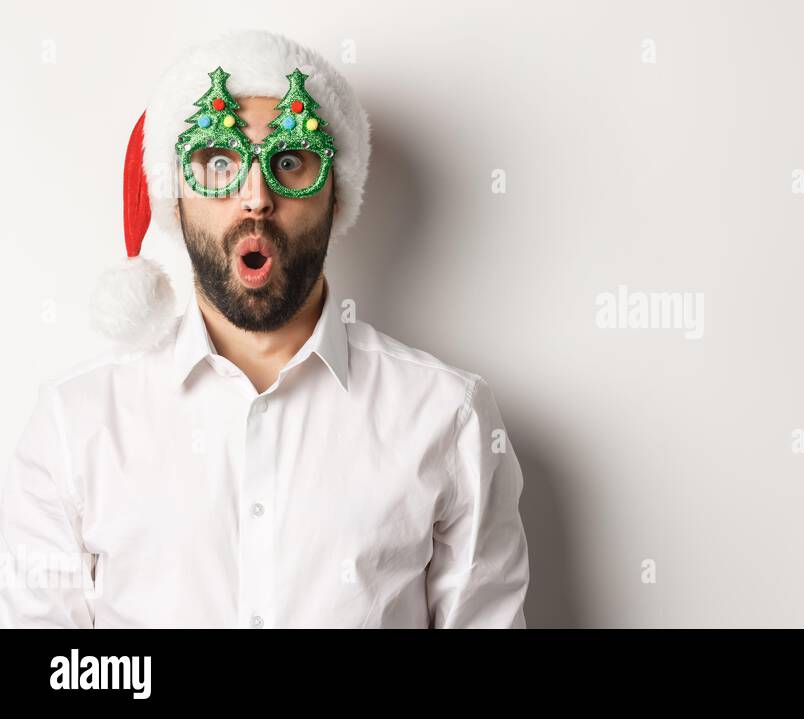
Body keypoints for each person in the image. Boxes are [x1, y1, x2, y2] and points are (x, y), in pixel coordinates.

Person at [0, 30, 529, 628]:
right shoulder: (75, 425)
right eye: (219, 162)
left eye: (289, 160)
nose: (256, 197)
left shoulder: (448, 416)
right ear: (174, 198)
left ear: (335, 195)